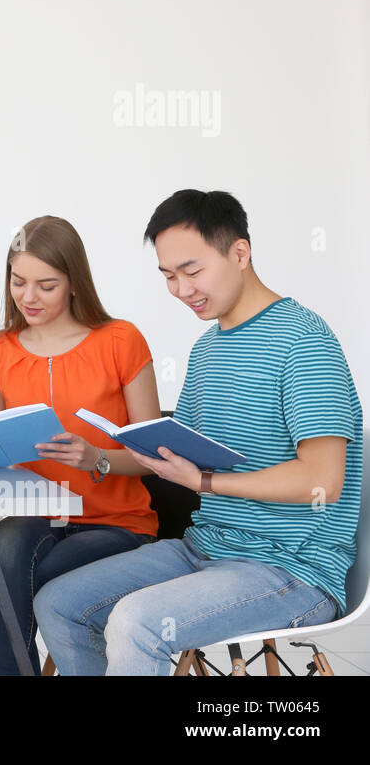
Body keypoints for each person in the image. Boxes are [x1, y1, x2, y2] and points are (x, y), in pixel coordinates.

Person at [35, 190, 363, 675]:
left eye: (193, 270)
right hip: (206, 548)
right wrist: (127, 451)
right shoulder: (208, 349)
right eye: (168, 276)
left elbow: (322, 480)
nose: (182, 289)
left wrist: (205, 483)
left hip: (291, 571)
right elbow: (186, 450)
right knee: (58, 603)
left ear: (240, 252)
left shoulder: (304, 342)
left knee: (134, 622)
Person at [0, 216, 162, 674]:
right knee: (3, 560)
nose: (28, 297)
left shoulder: (121, 340)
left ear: (75, 283)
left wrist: (96, 458)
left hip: (116, 524)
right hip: (35, 515)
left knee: (9, 580)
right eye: (18, 282)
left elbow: (156, 457)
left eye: (46, 285)